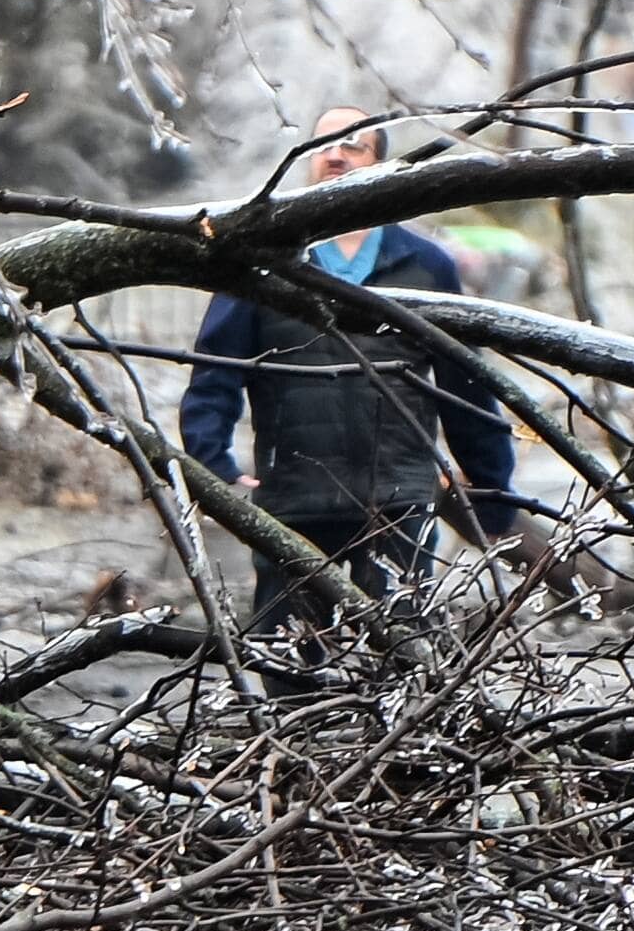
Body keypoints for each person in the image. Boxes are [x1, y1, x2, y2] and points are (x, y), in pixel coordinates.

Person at [178, 107, 520, 632]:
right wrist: (213, 466)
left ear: (379, 165)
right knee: (288, 656)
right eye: (324, 146)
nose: (335, 155)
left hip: (397, 501)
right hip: (293, 499)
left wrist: (492, 487)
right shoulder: (263, 260)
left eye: (353, 145)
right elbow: (215, 372)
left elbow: (465, 384)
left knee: (402, 650)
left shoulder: (426, 265)